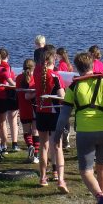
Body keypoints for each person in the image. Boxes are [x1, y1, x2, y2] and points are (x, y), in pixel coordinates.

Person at [54, 52, 103, 204]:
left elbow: (64, 116)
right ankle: (101, 203)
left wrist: (57, 136)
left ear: (77, 69)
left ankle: (100, 199)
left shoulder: (73, 87)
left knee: (86, 170)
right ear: (93, 65)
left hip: (86, 131)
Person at [33, 45, 67, 190]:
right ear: (53, 59)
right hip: (54, 113)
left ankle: (42, 178)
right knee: (57, 146)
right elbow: (62, 96)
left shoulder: (37, 73)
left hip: (40, 112)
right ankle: (60, 180)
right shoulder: (55, 76)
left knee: (43, 145)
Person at [0, 48, 21, 155]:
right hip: (10, 93)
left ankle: (3, 144)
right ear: (8, 56)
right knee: (13, 120)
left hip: (2, 94)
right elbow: (10, 80)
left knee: (2, 121)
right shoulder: (7, 66)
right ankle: (14, 143)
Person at [15, 58, 39, 162]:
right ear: (34, 67)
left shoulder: (18, 78)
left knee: (26, 130)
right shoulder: (35, 77)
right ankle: (36, 155)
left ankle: (30, 145)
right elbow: (29, 95)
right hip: (34, 107)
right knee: (35, 131)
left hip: (23, 107)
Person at [55, 48, 73, 150]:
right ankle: (67, 137)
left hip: (64, 91)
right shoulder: (69, 65)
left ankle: (65, 138)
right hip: (68, 91)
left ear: (59, 55)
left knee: (63, 115)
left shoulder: (61, 65)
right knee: (67, 116)